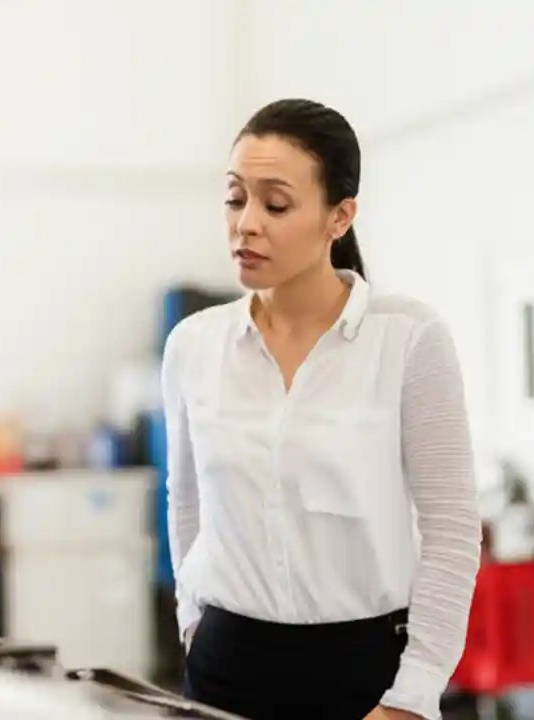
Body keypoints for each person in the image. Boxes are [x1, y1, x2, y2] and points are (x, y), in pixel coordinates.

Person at [161, 98, 481, 720]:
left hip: (365, 672)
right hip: (226, 667)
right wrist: (193, 623)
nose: (246, 223)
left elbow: (452, 529)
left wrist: (412, 696)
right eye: (235, 198)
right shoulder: (193, 345)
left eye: (275, 204)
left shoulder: (408, 338)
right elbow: (188, 501)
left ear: (339, 217)